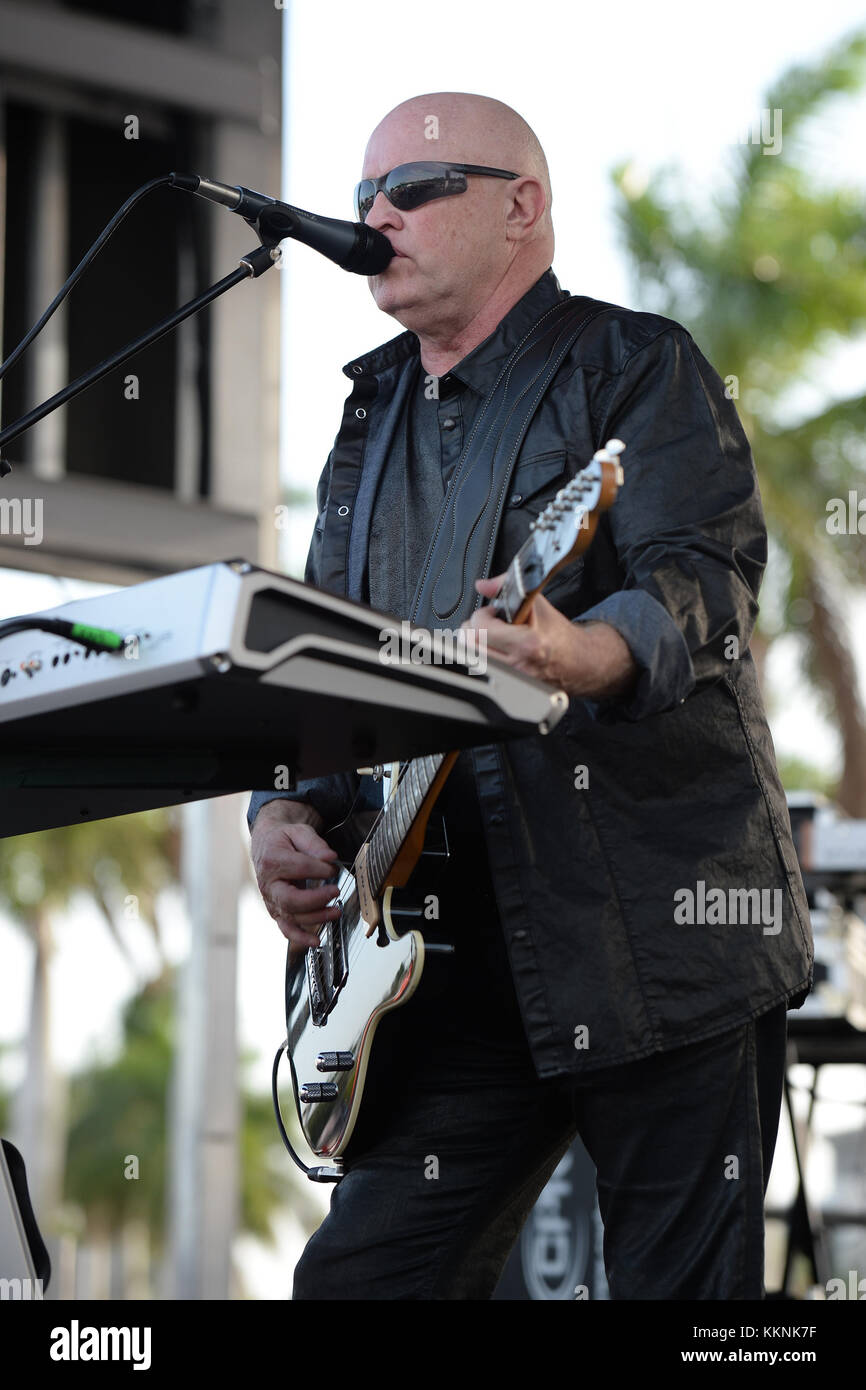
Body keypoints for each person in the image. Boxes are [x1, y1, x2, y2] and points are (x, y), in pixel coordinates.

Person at [248, 92, 813, 1300]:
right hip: (434, 973)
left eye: (412, 189)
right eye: (361, 200)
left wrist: (579, 653)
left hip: (654, 944)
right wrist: (283, 813)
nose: (374, 216)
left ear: (521, 206)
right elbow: (319, 676)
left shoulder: (634, 366)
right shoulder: (368, 422)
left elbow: (701, 583)